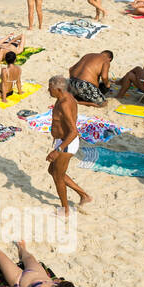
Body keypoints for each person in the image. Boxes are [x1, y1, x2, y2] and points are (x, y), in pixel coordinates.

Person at [45, 77, 92, 214]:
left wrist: (58, 150)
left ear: (58, 89)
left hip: (67, 143)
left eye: (50, 88)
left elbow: (73, 131)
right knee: (52, 171)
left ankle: (64, 210)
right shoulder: (64, 97)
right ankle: (84, 195)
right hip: (62, 141)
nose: (48, 90)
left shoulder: (65, 103)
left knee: (58, 176)